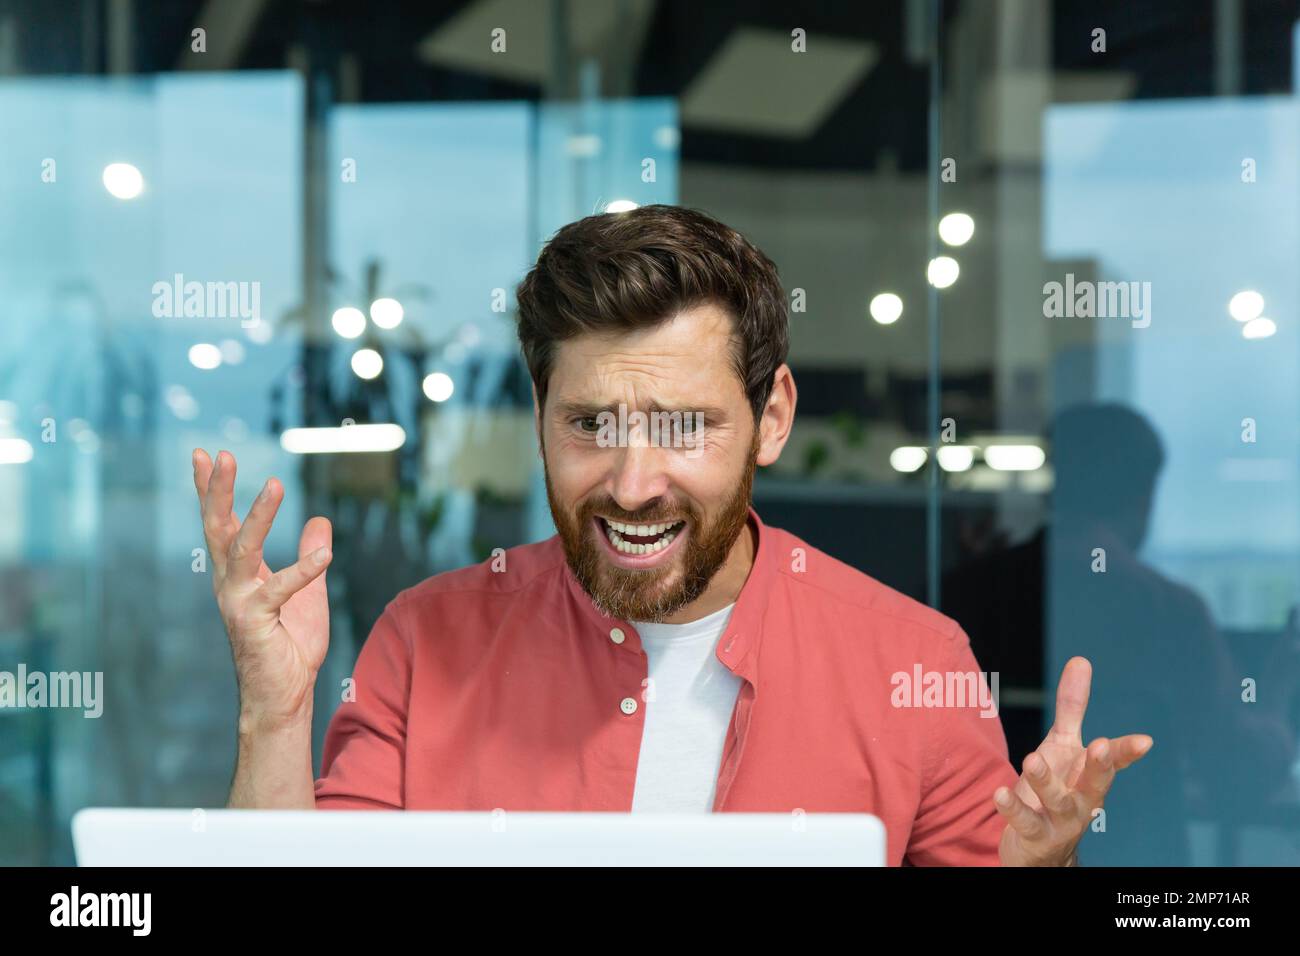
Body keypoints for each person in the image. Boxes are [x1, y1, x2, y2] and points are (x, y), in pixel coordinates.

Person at [191, 204, 1151, 865]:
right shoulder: (421, 639)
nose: (632, 483)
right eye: (589, 424)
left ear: (771, 418)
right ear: (538, 418)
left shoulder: (915, 662)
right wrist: (272, 716)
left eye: (684, 426)